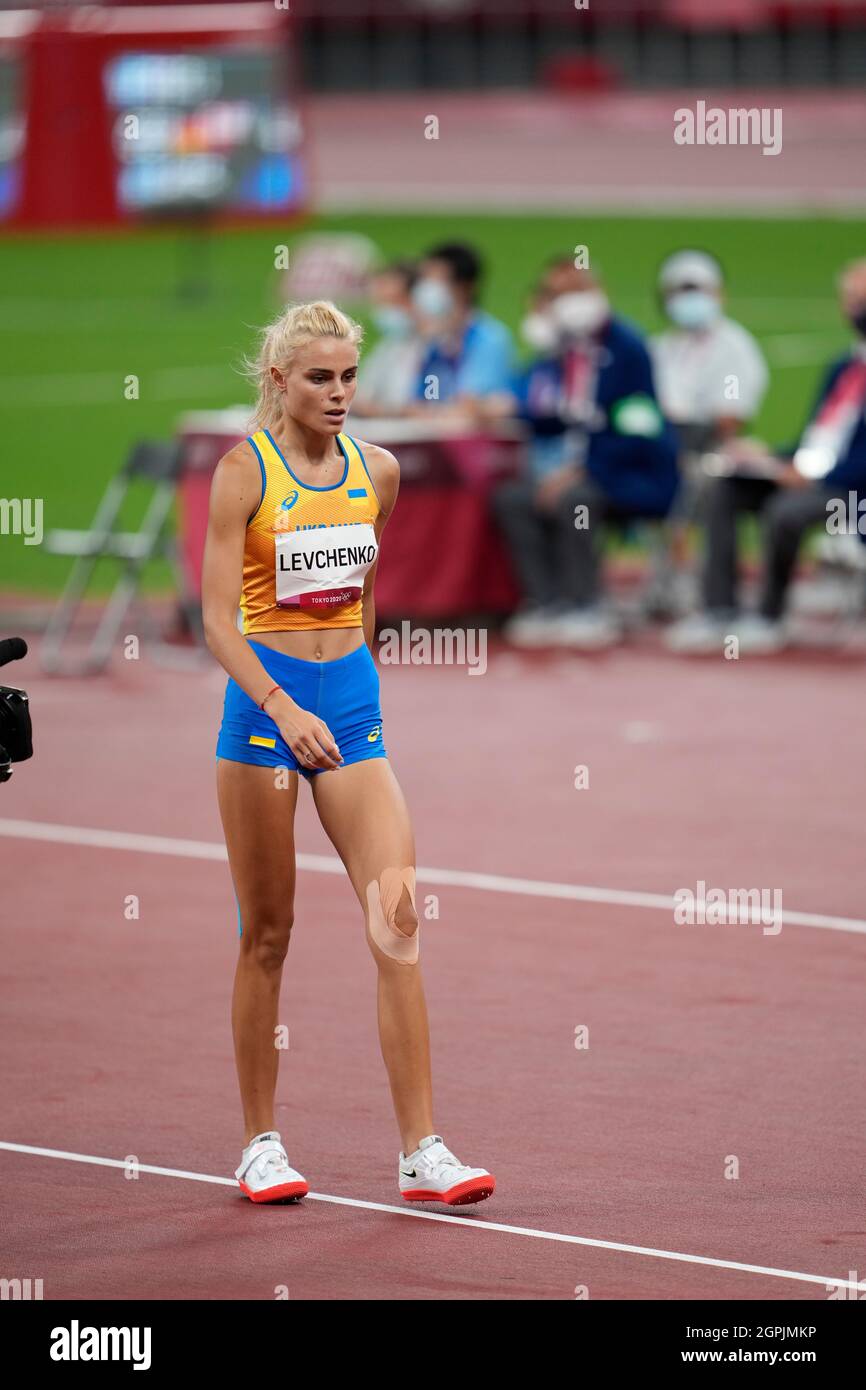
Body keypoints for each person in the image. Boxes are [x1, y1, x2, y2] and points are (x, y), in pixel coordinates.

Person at [202, 301, 495, 1206]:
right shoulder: (243, 473)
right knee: (269, 934)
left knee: (398, 920)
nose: (337, 394)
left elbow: (361, 593)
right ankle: (260, 1142)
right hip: (264, 716)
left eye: (348, 377)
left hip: (352, 714)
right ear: (280, 382)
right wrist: (284, 706)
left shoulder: (380, 471)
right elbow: (219, 620)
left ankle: (423, 1149)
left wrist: (351, 689)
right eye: (319, 378)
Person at [666, 258, 866, 654]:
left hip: (853, 491)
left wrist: (817, 475)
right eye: (849, 299)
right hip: (814, 474)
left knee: (786, 510)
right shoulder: (845, 365)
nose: (852, 309)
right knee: (726, 485)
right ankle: (718, 609)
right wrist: (769, 457)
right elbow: (820, 437)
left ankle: (769, 616)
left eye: (858, 299)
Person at [490, 259, 679, 649]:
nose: (567, 303)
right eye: (558, 295)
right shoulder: (571, 351)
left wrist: (582, 470)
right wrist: (515, 412)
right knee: (512, 497)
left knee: (575, 500)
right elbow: (565, 417)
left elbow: (638, 428)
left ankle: (587, 604)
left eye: (576, 291)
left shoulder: (627, 349)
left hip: (632, 474)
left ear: (596, 289)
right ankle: (545, 600)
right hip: (577, 471)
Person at [649, 250, 769, 613]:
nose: (688, 300)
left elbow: (731, 417)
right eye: (679, 291)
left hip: (711, 450)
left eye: (696, 289)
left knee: (698, 480)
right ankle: (664, 581)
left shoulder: (736, 348)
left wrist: (680, 430)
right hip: (665, 448)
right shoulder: (663, 348)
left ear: (718, 293)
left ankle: (705, 588)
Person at [405, 241, 514, 416]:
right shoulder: (435, 343)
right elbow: (415, 404)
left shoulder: (489, 339)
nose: (426, 291)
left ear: (464, 287)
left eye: (436, 282)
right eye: (424, 281)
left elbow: (471, 409)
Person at [351, 260, 424, 417]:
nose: (386, 310)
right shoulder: (389, 346)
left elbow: (411, 408)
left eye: (395, 301)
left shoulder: (433, 349)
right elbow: (362, 394)